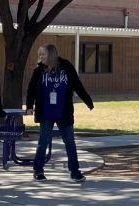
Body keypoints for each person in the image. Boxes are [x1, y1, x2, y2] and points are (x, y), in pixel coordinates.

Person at [26, 44, 94, 183]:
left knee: (70, 141)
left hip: (64, 111)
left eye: (43, 55)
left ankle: (75, 172)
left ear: (51, 55)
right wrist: (29, 106)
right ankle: (38, 171)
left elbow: (77, 84)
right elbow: (31, 89)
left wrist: (88, 101)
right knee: (43, 142)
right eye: (39, 55)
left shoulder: (66, 67)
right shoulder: (39, 71)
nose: (40, 57)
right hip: (45, 112)